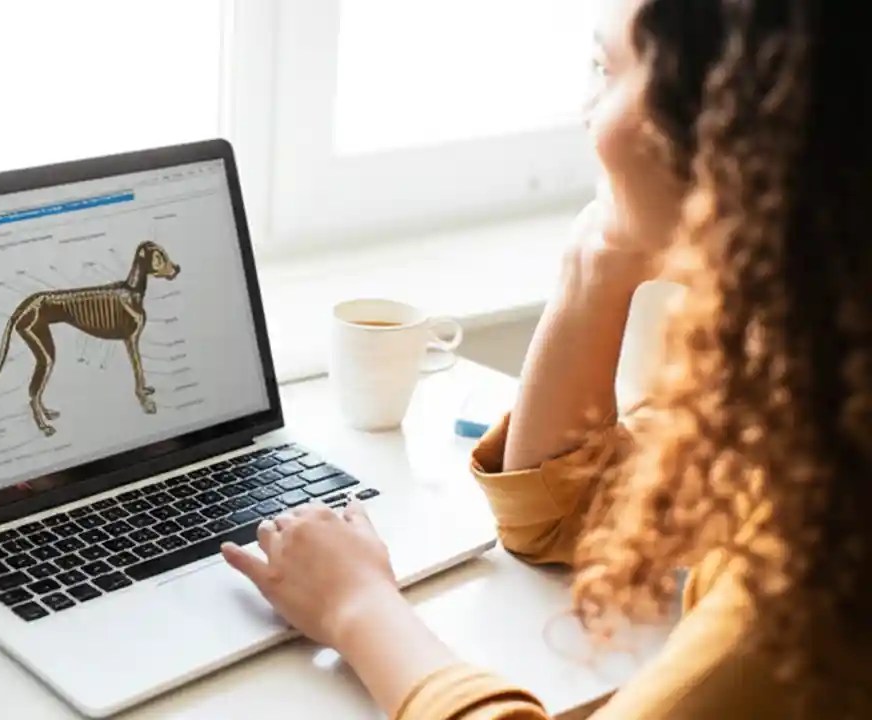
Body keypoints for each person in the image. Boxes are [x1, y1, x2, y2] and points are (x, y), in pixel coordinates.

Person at [220, 0, 872, 717]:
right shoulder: (812, 385)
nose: (585, 111)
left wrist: (359, 609)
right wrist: (596, 259)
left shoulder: (810, 567)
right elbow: (569, 515)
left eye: (606, 68)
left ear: (735, 124)